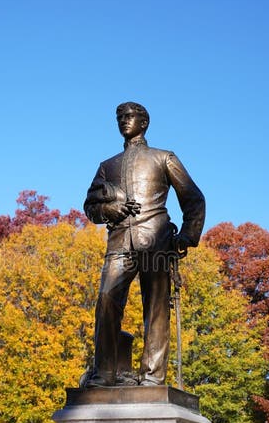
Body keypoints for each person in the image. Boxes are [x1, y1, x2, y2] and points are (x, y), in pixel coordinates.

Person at [84, 102, 205, 387]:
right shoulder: (107, 166)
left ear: (144, 122)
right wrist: (109, 211)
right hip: (119, 243)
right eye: (119, 117)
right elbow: (90, 205)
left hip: (157, 241)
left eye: (130, 116)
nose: (124, 121)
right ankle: (105, 372)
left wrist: (187, 236)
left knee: (156, 307)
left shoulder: (164, 157)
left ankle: (152, 376)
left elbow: (194, 198)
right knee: (106, 299)